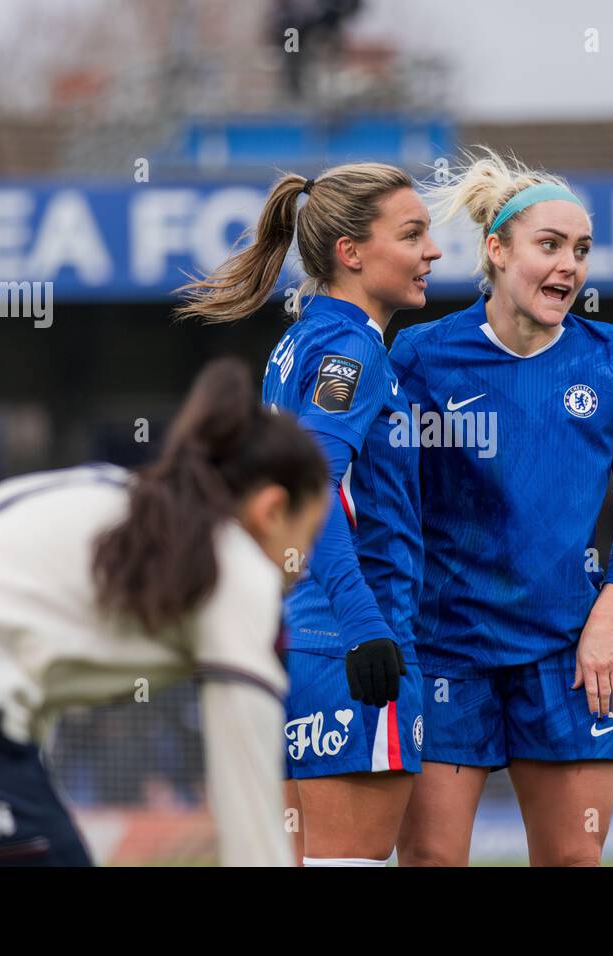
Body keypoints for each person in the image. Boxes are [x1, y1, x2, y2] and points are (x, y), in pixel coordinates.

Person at [0, 359, 327, 867]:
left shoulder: (99, 489)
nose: (302, 566)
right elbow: (249, 798)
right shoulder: (232, 562)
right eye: (310, 534)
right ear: (271, 510)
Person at [391, 149, 613, 866]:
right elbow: (384, 497)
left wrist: (607, 617)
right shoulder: (421, 356)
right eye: (549, 246)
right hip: (447, 647)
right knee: (432, 861)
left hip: (568, 651)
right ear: (496, 250)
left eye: (581, 250)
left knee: (574, 860)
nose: (569, 266)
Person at [177, 163, 441, 866]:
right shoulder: (350, 348)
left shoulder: (298, 342)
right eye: (412, 234)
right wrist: (363, 627)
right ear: (351, 252)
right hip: (353, 641)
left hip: (298, 638)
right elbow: (312, 486)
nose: (433, 252)